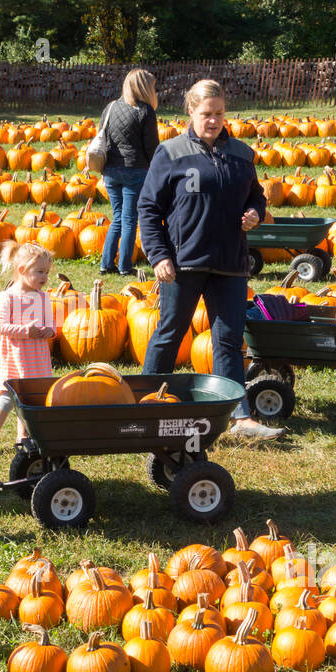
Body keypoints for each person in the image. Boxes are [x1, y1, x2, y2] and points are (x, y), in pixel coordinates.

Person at [138, 79, 287, 442]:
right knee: (169, 334)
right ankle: (144, 407)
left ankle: (239, 420)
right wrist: (158, 255)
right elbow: (148, 208)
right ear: (191, 111)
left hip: (230, 264)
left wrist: (254, 211)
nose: (214, 120)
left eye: (220, 113)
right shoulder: (169, 152)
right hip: (182, 264)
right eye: (207, 113)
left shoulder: (241, 153)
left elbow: (256, 196)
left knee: (228, 340)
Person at [0, 242, 55, 457]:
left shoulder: (44, 297)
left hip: (37, 359)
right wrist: (25, 331)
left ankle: (23, 438)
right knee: (7, 399)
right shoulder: (9, 297)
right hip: (14, 358)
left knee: (29, 399)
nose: (44, 277)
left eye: (47, 272)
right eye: (39, 272)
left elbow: (51, 325)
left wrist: (47, 331)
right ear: (22, 270)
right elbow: (0, 327)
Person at [98, 68, 159, 276]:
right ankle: (125, 266)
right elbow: (151, 146)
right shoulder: (145, 111)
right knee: (130, 218)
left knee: (117, 217)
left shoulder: (110, 107)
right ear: (144, 87)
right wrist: (157, 170)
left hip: (111, 171)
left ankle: (106, 263)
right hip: (135, 169)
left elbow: (102, 136)